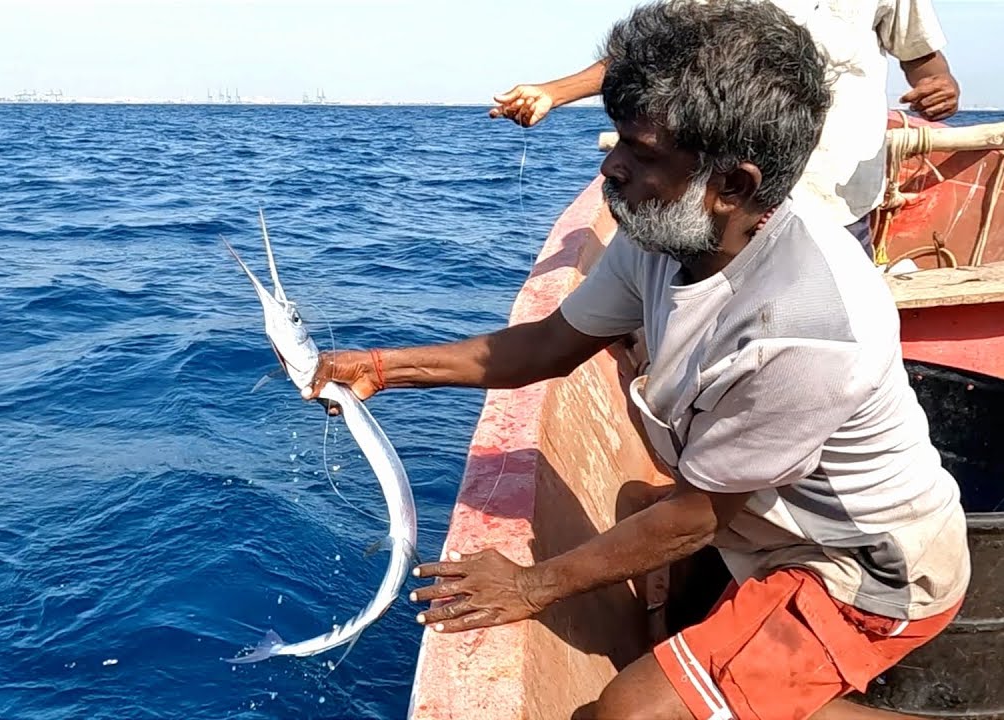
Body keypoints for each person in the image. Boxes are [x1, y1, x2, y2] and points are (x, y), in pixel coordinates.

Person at [304, 1, 970, 718]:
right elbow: (546, 346)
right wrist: (382, 366)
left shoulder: (808, 328)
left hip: (861, 573)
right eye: (619, 139)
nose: (611, 166)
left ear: (733, 186)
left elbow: (694, 517)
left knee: (618, 716)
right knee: (633, 508)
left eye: (641, 154)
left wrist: (532, 585)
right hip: (762, 520)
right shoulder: (669, 233)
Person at [489, 0, 961, 261]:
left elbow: (924, 61)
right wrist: (554, 91)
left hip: (839, 200)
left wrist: (939, 87)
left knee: (837, 325)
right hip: (733, 199)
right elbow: (647, 51)